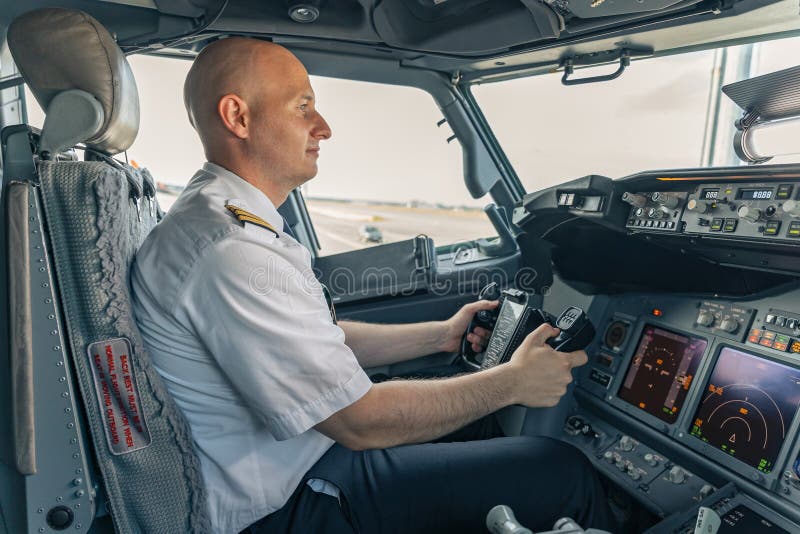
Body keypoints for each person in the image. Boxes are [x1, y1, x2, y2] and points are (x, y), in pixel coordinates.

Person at [130, 37, 611, 534]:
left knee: (481, 423)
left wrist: (440, 336)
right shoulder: (230, 249)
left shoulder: (217, 218)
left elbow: (315, 338)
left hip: (300, 459)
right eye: (303, 108)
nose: (324, 128)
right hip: (286, 503)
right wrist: (514, 381)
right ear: (238, 117)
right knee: (561, 471)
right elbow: (359, 423)